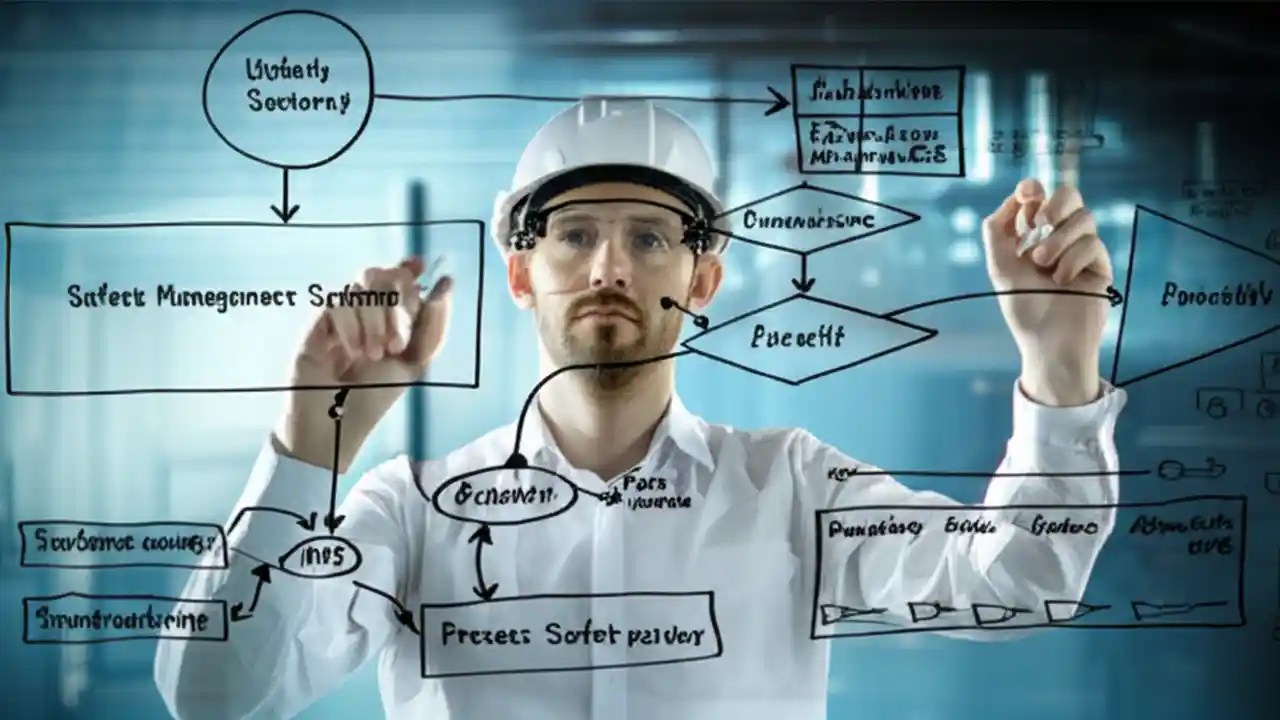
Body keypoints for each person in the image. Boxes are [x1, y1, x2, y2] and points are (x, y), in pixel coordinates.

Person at [155, 97, 1127, 719]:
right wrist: (311, 440)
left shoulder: (788, 485)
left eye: (649, 240)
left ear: (702, 276)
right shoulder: (409, 510)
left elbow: (1015, 589)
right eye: (573, 234)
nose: (610, 267)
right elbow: (211, 693)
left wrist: (1057, 366)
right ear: (520, 273)